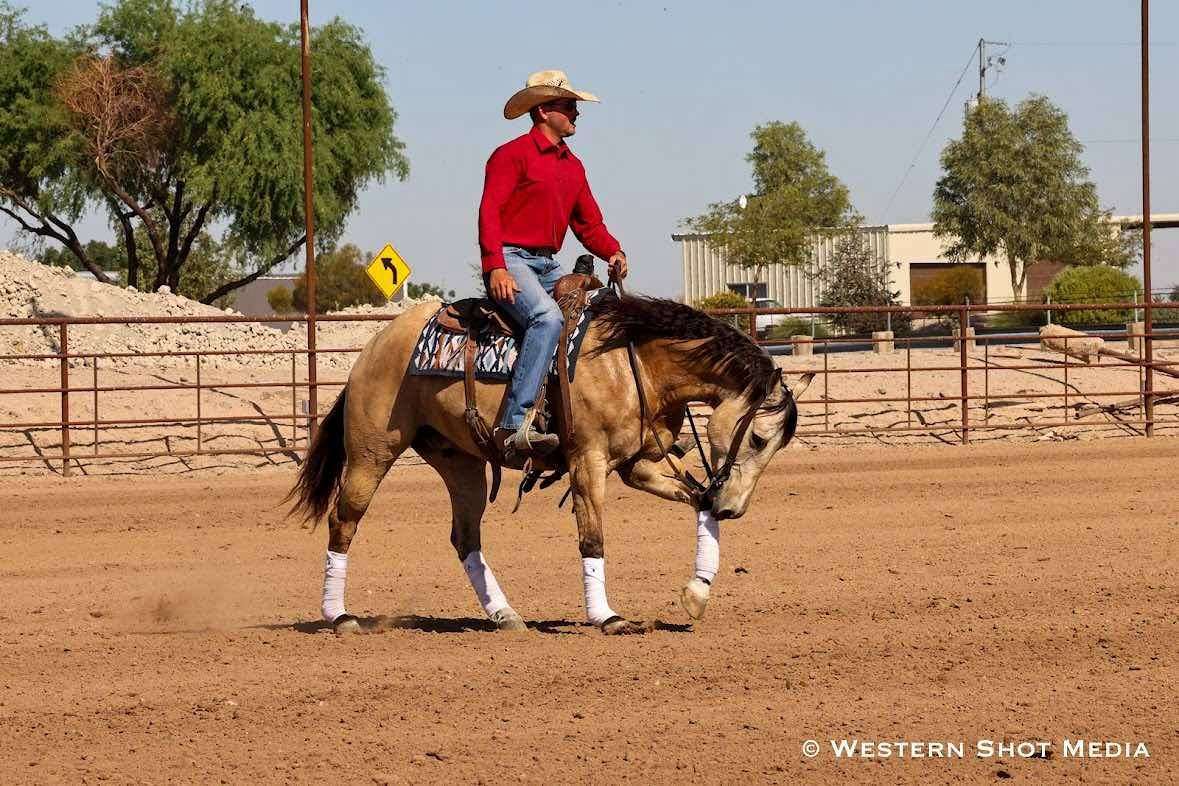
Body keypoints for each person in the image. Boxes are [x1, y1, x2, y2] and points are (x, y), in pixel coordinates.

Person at [478, 70, 627, 461]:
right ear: (544, 110)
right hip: (512, 258)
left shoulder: (572, 166)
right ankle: (515, 423)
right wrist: (496, 266)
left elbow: (588, 223)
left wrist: (612, 250)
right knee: (546, 319)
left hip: (546, 262)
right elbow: (490, 212)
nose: (576, 113)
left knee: (599, 314)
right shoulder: (511, 156)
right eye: (568, 106)